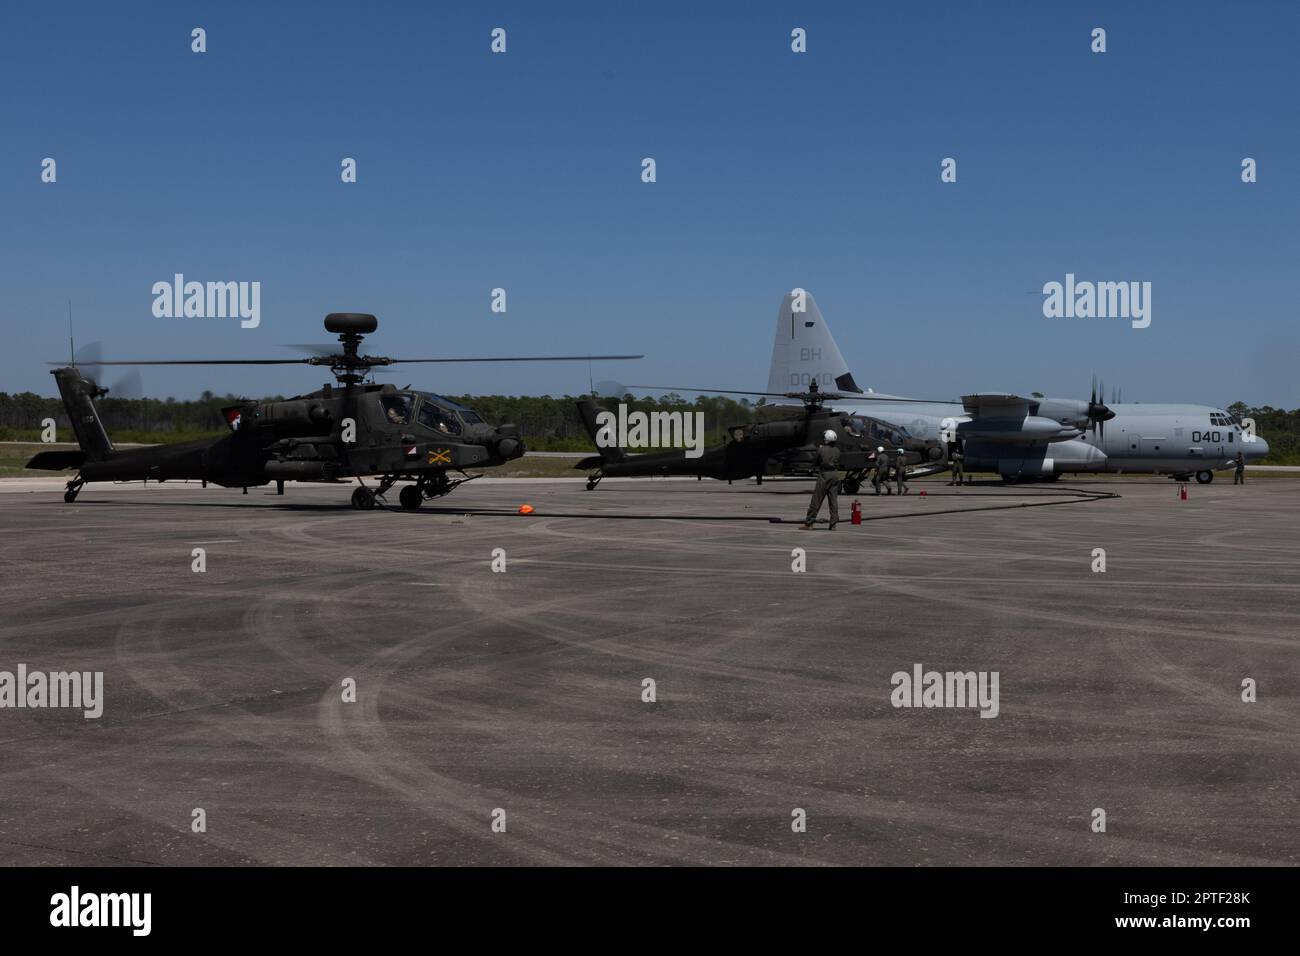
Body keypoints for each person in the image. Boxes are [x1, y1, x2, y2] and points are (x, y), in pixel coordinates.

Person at [801, 430, 842, 530]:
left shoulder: (821, 449)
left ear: (826, 439)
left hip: (824, 475)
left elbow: (814, 462)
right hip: (835, 475)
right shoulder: (837, 450)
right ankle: (833, 524)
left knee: (816, 499)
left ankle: (809, 523)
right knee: (833, 501)